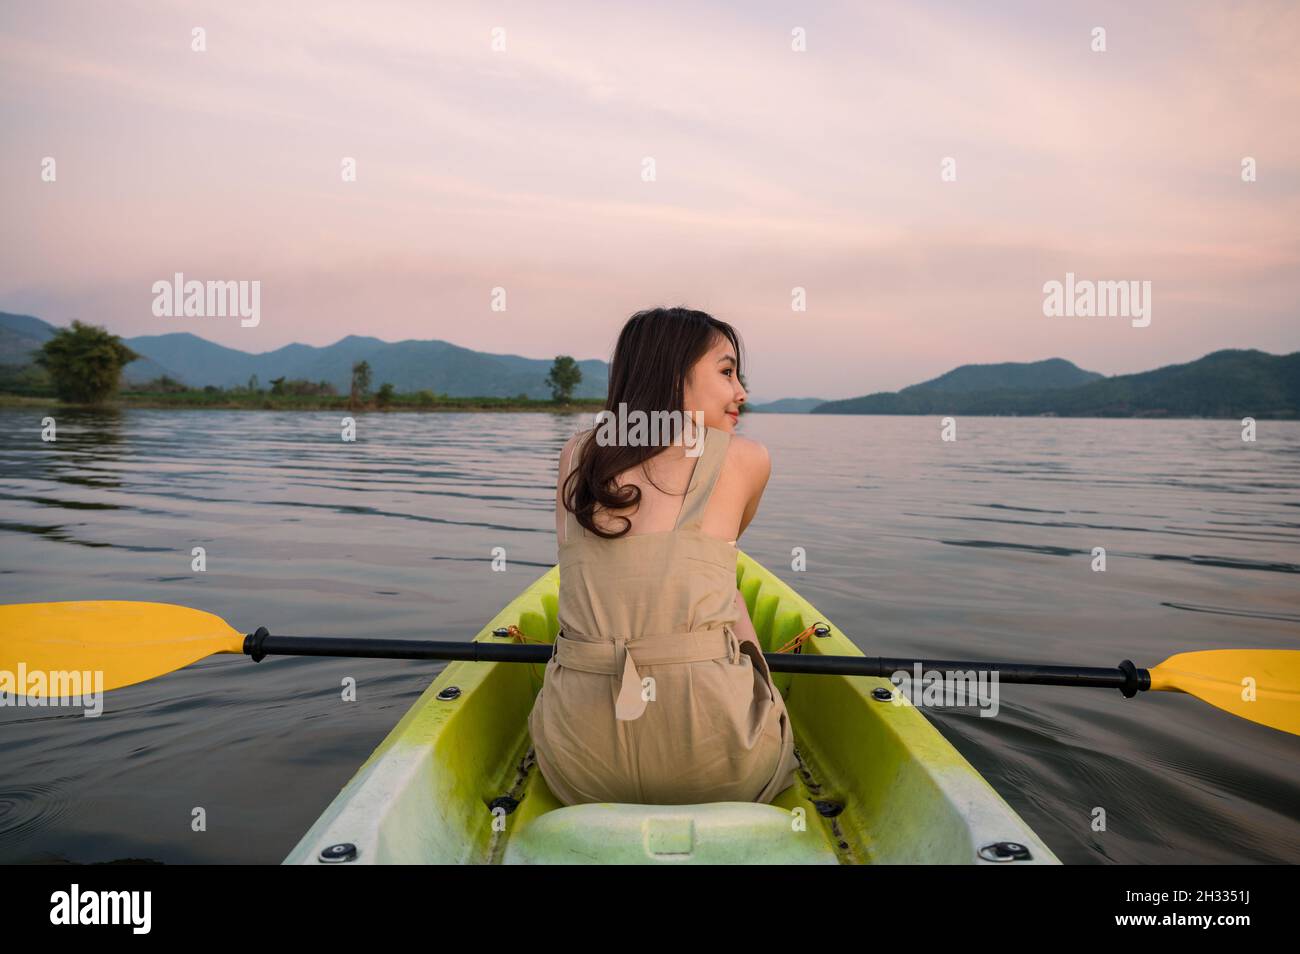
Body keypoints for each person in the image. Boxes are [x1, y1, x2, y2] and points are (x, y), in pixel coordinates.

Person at [527, 306, 799, 805]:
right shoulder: (748, 459)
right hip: (721, 764)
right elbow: (722, 580)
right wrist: (765, 690)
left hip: (580, 769)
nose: (742, 393)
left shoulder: (576, 456)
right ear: (674, 377)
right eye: (727, 372)